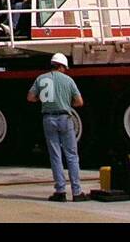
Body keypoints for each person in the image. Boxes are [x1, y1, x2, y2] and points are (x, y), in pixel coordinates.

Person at [27, 52, 88, 202]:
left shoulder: (41, 78)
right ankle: (77, 192)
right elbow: (79, 102)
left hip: (48, 119)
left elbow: (30, 97)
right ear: (62, 66)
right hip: (65, 118)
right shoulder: (68, 80)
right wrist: (67, 103)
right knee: (72, 156)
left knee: (55, 156)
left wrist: (43, 100)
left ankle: (60, 191)